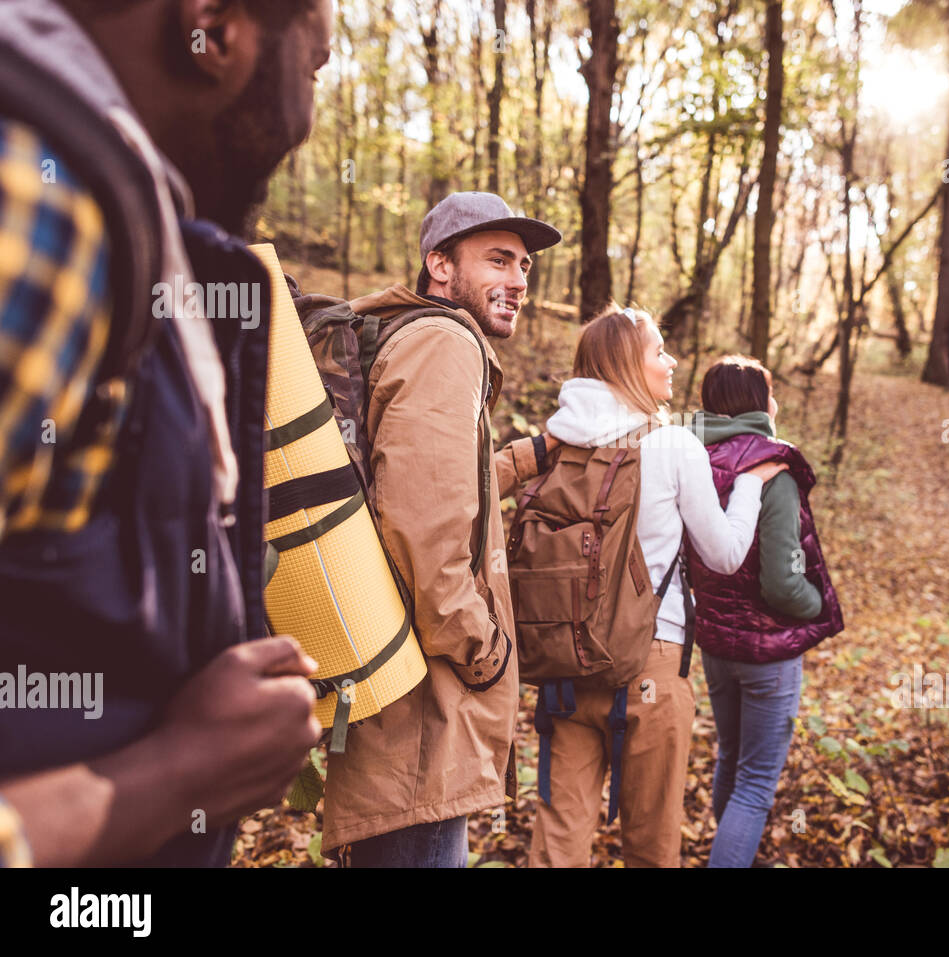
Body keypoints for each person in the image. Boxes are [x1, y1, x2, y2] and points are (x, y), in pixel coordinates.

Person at [0, 0, 334, 866]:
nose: (308, 112)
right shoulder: (42, 207)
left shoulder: (105, 209)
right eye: (316, 64)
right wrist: (174, 776)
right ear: (215, 30)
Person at [322, 192, 561, 868]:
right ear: (440, 265)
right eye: (497, 260)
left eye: (524, 266)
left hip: (388, 687)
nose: (517, 280)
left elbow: (428, 476)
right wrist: (482, 646)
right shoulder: (444, 340)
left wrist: (526, 454)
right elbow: (425, 530)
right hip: (424, 710)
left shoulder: (401, 334)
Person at [527, 305, 788, 868]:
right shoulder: (673, 447)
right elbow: (723, 555)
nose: (670, 363)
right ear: (626, 364)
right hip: (650, 662)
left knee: (559, 841)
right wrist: (748, 485)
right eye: (658, 352)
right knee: (651, 843)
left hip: (564, 664)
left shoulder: (555, 443)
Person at [687, 355, 844, 868]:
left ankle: (726, 851)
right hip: (767, 653)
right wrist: (814, 602)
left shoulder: (692, 458)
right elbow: (782, 578)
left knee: (731, 759)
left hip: (715, 643)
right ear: (758, 402)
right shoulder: (773, 469)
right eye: (770, 393)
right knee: (755, 785)